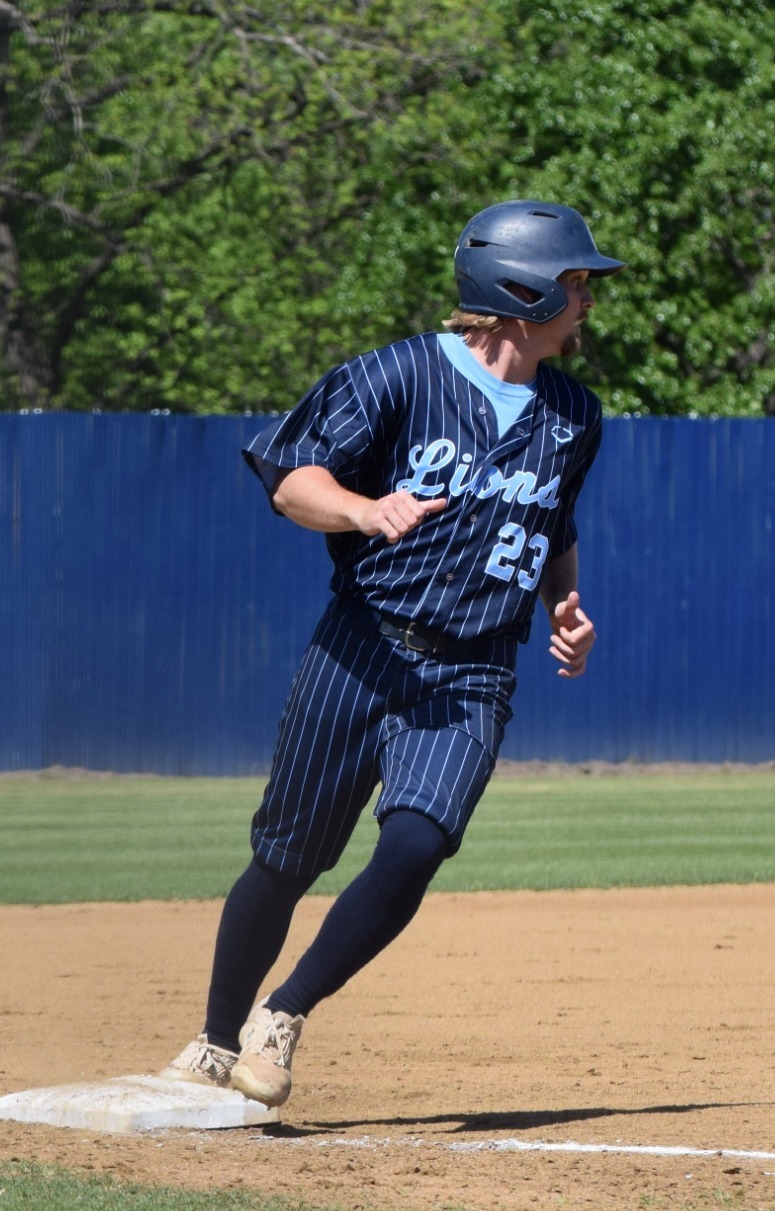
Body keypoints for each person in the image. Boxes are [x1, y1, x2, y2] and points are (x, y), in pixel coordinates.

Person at [159, 200, 623, 1107]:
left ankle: (283, 1012)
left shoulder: (575, 413)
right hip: (360, 648)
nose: (587, 299)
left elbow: (551, 525)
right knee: (286, 859)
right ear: (521, 290)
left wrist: (564, 606)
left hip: (474, 669)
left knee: (418, 841)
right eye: (574, 282)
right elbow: (293, 478)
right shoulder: (398, 374)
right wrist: (363, 509)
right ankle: (214, 1041)